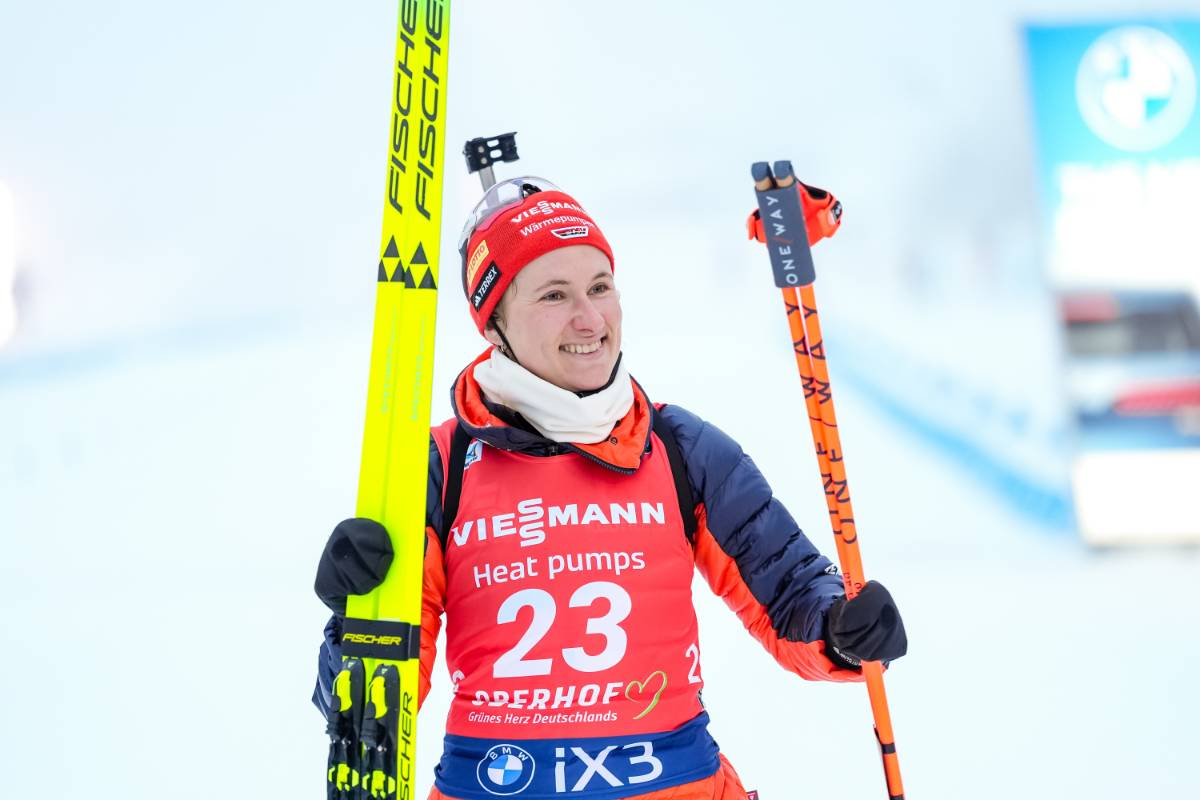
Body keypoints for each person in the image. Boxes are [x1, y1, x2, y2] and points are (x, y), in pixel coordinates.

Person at [313, 176, 907, 800]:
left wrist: (843, 628)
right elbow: (372, 707)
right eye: (553, 295)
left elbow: (790, 595)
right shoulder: (440, 467)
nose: (590, 318)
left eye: (601, 287)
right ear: (495, 327)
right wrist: (355, 620)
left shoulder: (679, 447)